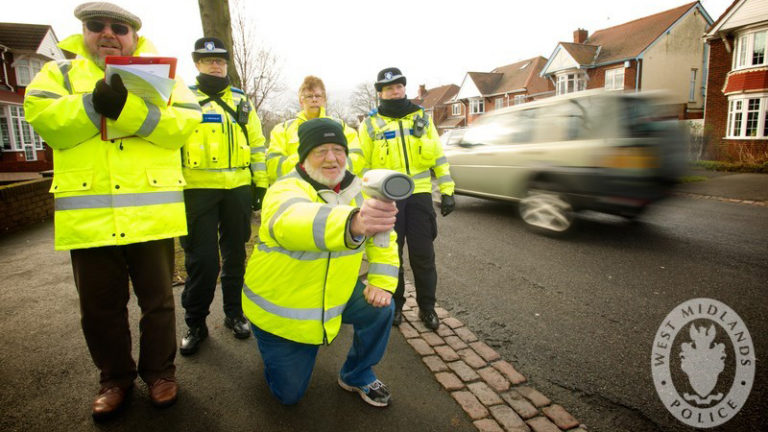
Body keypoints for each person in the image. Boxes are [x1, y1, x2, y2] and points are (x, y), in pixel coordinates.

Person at [23, 1, 201, 420]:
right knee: (100, 308)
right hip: (90, 217)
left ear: (133, 36)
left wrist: (127, 108)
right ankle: (114, 379)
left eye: (119, 27)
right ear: (82, 31)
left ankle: (160, 373)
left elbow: (183, 124)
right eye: (96, 25)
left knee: (157, 304)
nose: (108, 33)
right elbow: (43, 118)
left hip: (151, 215)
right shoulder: (59, 73)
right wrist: (92, 104)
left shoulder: (164, 76)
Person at [243, 118, 399, 407]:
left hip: (334, 295)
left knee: (382, 307)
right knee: (288, 395)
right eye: (320, 150)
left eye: (338, 149)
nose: (332, 158)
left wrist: (382, 281)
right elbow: (291, 221)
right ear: (304, 155)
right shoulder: (285, 188)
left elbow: (385, 240)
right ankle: (270, 346)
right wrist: (353, 222)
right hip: (283, 313)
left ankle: (356, 373)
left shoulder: (361, 189)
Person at [178, 37, 268, 356]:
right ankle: (196, 322)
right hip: (196, 190)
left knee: (235, 256)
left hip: (238, 190)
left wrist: (261, 183)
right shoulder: (183, 98)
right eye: (207, 59)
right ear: (197, 64)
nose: (215, 64)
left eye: (220, 60)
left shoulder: (242, 100)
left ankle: (234, 314)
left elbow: (257, 144)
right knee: (202, 260)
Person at [358, 67, 456, 331]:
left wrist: (447, 190)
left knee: (423, 256)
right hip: (387, 199)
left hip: (419, 195)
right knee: (393, 256)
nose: (395, 91)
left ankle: (427, 308)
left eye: (399, 86)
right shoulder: (370, 124)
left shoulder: (421, 118)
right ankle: (396, 306)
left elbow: (438, 156)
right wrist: (362, 200)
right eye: (389, 88)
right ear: (380, 93)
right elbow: (362, 167)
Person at [266, 76, 365, 183]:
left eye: (318, 96)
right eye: (309, 96)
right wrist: (310, 161)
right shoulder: (282, 130)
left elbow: (357, 157)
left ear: (324, 100)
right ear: (301, 101)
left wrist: (331, 173)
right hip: (297, 189)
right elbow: (273, 167)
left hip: (335, 190)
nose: (314, 99)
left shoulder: (341, 127)